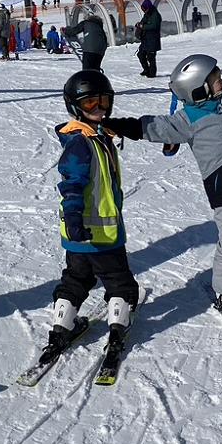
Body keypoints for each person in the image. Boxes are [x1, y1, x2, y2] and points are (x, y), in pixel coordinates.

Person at [104, 53, 222, 335]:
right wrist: (115, 125)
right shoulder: (187, 119)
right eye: (216, 78)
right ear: (198, 88)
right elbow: (150, 127)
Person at [38, 70, 140, 366]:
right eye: (90, 102)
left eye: (104, 101)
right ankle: (119, 326)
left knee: (77, 278)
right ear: (75, 106)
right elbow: (71, 184)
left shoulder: (95, 136)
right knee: (118, 281)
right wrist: (73, 218)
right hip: (100, 235)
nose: (99, 108)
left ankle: (63, 324)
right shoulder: (81, 143)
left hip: (78, 239)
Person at [135, 0, 161, 77]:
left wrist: (143, 26)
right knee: (140, 54)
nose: (144, 11)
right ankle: (146, 69)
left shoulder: (155, 15)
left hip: (152, 39)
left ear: (148, 8)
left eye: (144, 9)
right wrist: (139, 24)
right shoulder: (147, 14)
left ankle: (152, 73)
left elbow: (154, 26)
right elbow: (143, 21)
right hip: (145, 39)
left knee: (151, 57)